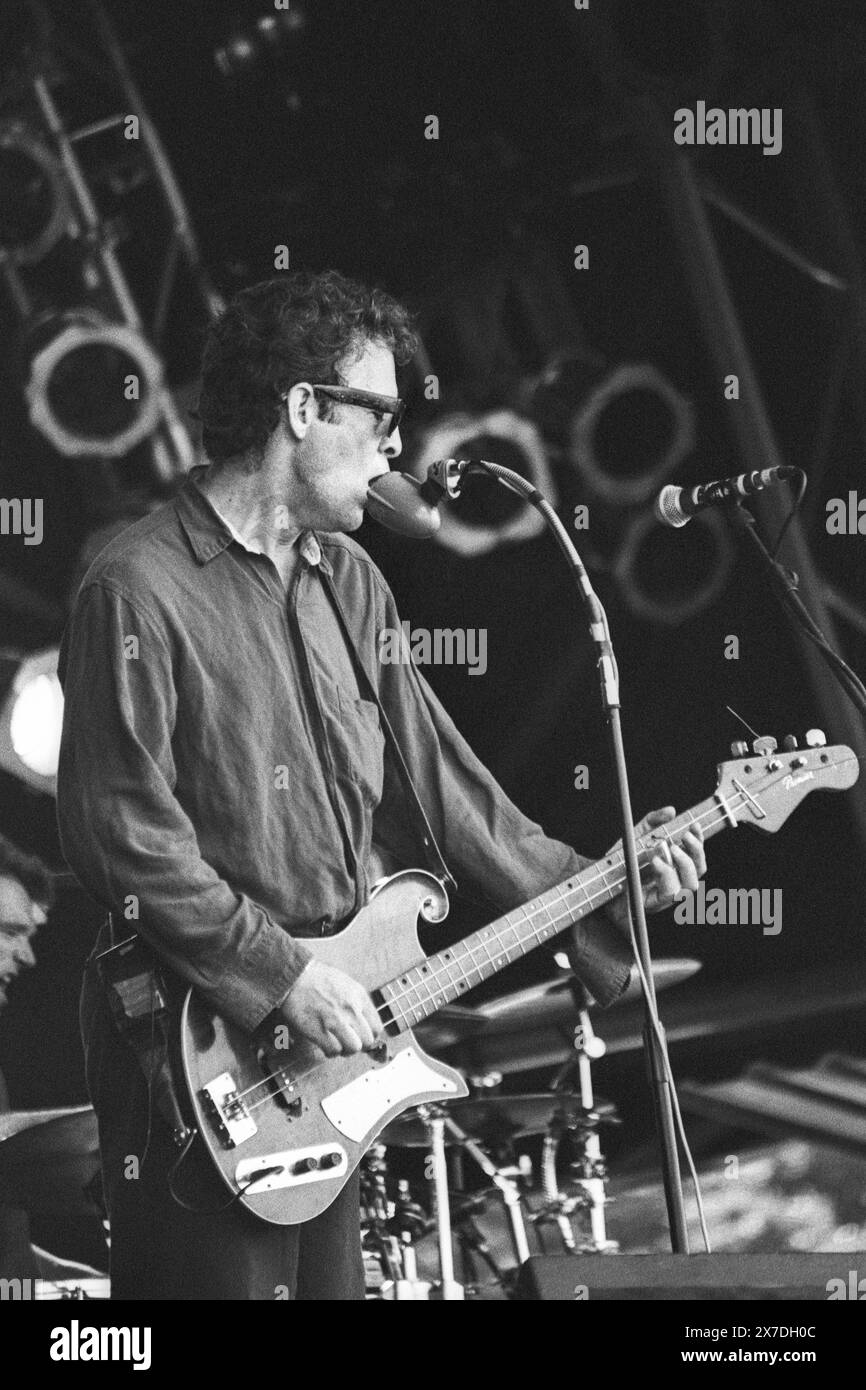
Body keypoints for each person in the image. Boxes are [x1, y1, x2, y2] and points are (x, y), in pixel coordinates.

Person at [56, 269, 706, 1300]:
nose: (399, 448)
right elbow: (118, 831)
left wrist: (605, 879)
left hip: (322, 1056)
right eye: (383, 415)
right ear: (303, 408)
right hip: (196, 1045)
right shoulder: (137, 584)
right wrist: (281, 974)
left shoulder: (352, 583)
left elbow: (450, 791)